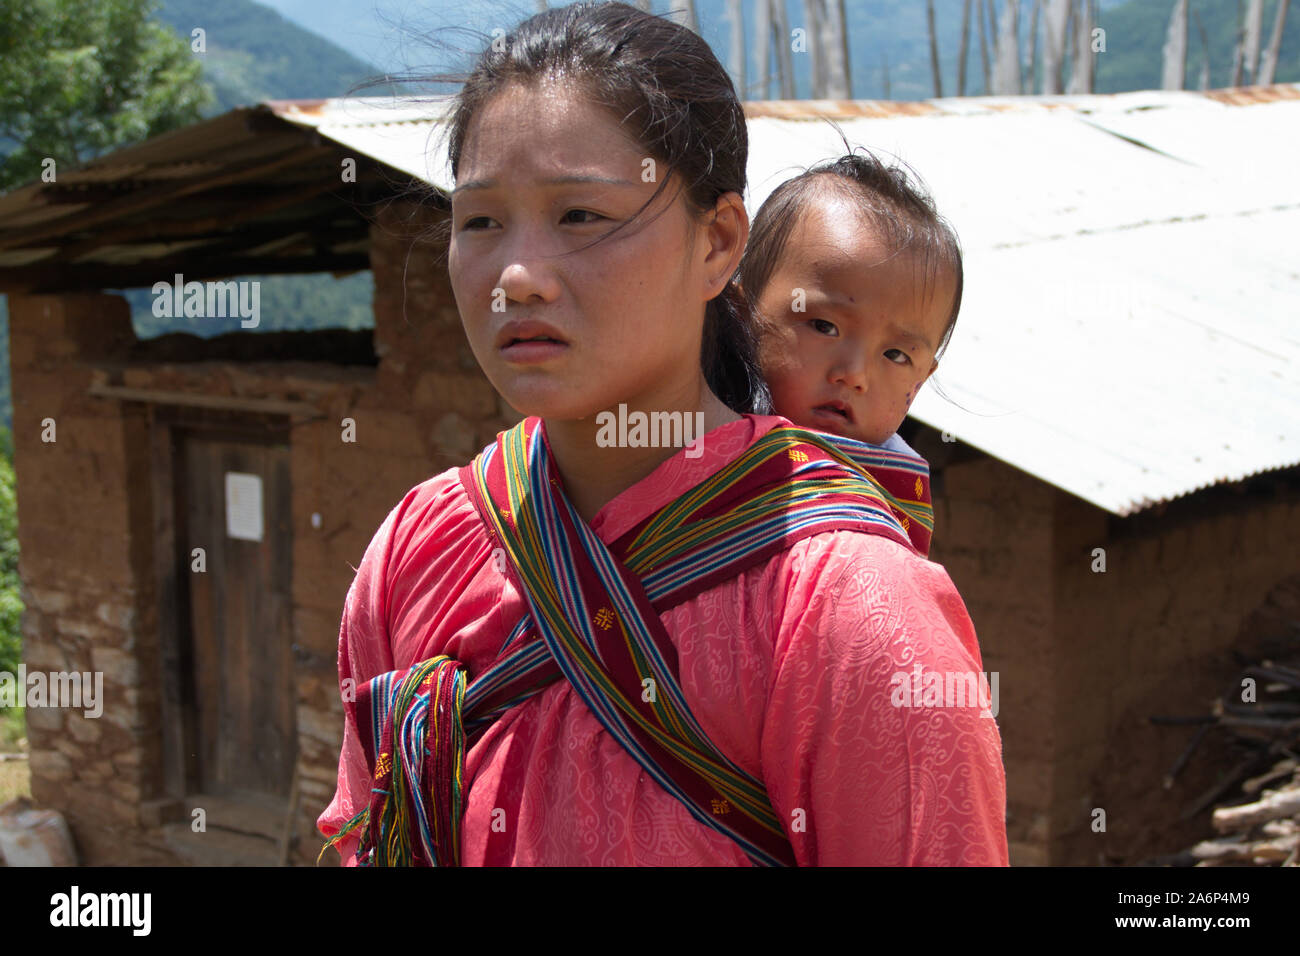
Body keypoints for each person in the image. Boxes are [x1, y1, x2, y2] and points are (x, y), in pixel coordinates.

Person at [317, 1, 1007, 867]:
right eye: (481, 221)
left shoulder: (846, 611)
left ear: (719, 244)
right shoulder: (420, 551)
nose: (519, 278)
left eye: (581, 216)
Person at [740, 149, 964, 555]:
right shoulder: (682, 435)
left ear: (919, 383)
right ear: (741, 311)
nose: (855, 375)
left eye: (896, 355)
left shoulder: (889, 513)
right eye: (825, 327)